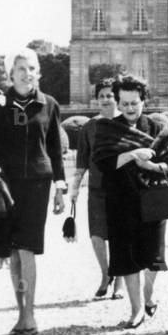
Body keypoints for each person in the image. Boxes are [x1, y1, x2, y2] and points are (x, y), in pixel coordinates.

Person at [0, 48, 67, 335]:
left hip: (38, 186)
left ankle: (29, 314)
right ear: (10, 74)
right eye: (21, 68)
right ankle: (22, 314)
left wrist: (60, 187)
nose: (26, 73)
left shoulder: (50, 105)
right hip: (6, 187)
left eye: (31, 68)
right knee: (14, 252)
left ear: (38, 72)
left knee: (27, 248)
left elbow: (55, 150)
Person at [93, 75, 168, 329]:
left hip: (154, 197)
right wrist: (131, 155)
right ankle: (136, 309)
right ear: (118, 103)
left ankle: (148, 295)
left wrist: (150, 165)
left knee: (153, 255)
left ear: (144, 101)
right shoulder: (107, 129)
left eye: (135, 103)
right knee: (127, 255)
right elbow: (104, 163)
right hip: (121, 199)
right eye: (125, 103)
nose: (130, 108)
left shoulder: (158, 128)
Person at [71, 78, 124, 300]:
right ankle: (105, 274)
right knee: (96, 236)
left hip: (122, 187)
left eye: (109, 96)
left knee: (120, 236)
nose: (105, 99)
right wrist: (74, 189)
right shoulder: (89, 127)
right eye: (101, 96)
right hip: (96, 189)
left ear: (117, 98)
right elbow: (82, 161)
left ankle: (119, 280)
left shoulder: (126, 122)